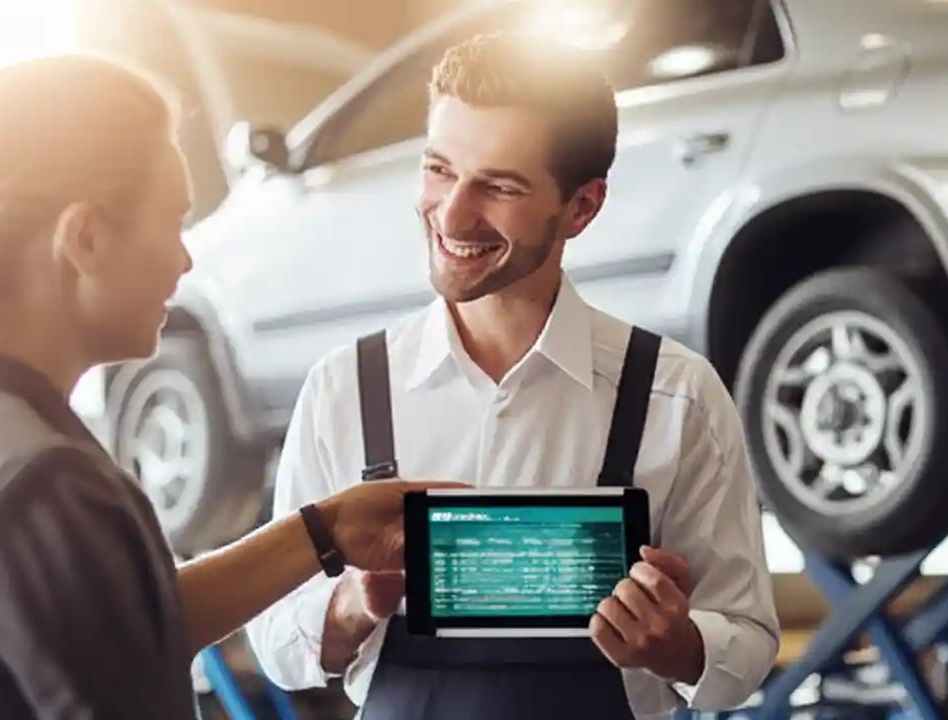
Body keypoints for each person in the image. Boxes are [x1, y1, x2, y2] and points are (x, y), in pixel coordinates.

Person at [0, 55, 456, 719]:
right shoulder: (44, 488)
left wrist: (325, 530)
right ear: (83, 238)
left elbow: (105, 631)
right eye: (172, 221)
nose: (185, 257)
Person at [247, 33, 779, 719]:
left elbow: (747, 645)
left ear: (582, 207)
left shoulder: (675, 398)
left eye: (497, 186)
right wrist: (353, 604)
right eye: (439, 169)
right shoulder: (344, 389)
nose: (453, 213)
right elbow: (276, 645)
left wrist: (676, 645)